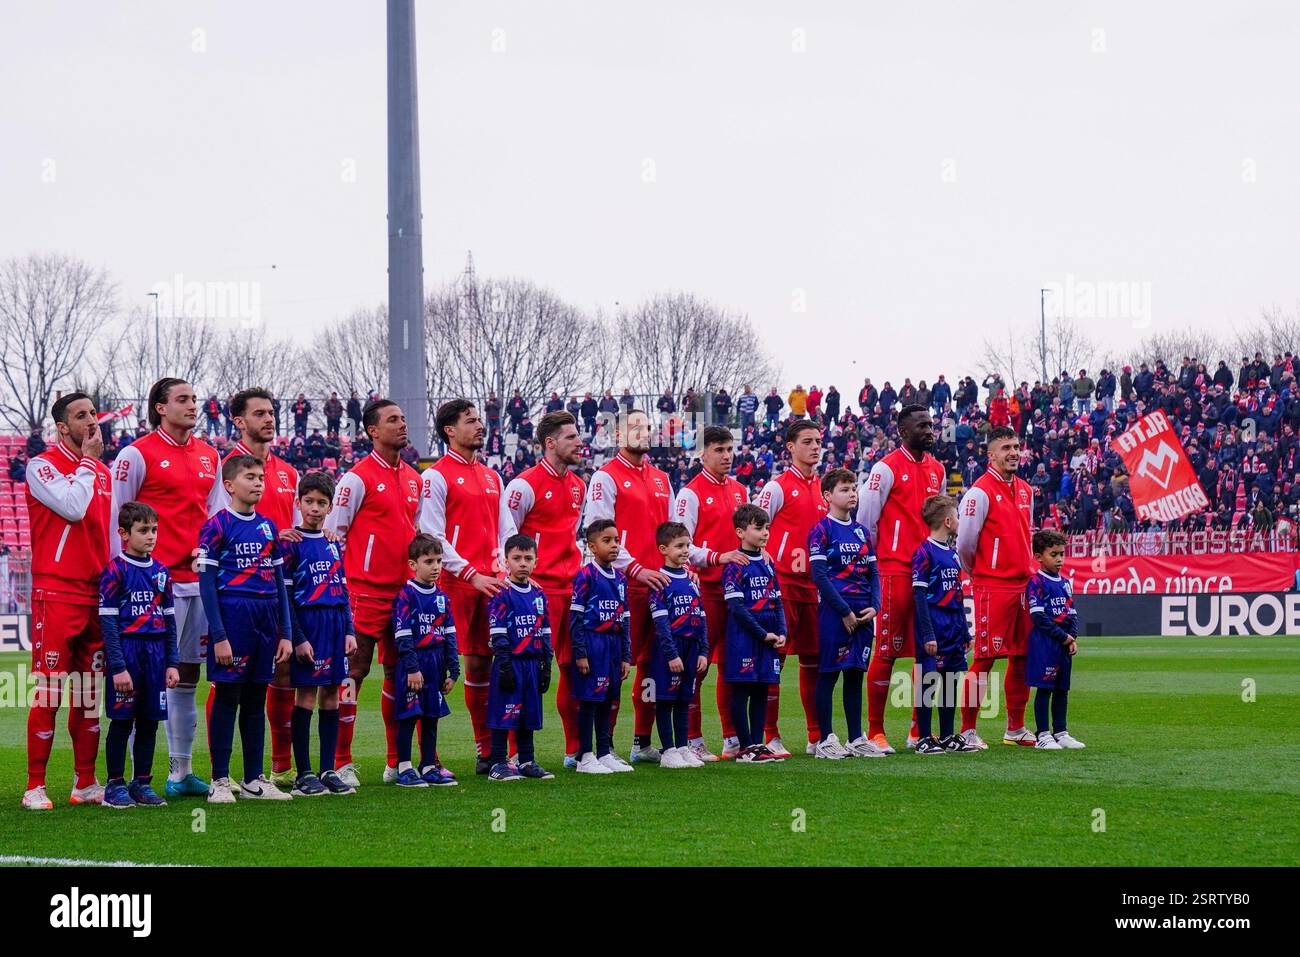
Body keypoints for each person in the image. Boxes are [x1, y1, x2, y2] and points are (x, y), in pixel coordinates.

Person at [582, 409, 740, 764]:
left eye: (647, 427)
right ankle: (595, 749)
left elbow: (676, 537)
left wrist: (695, 562)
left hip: (660, 586)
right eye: (634, 427)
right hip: (620, 586)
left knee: (656, 666)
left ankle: (641, 743)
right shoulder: (605, 478)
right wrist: (635, 568)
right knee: (614, 666)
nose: (643, 432)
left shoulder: (661, 479)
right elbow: (596, 532)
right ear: (618, 434)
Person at [110, 378, 218, 800]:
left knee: (187, 673)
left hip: (197, 584)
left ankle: (180, 772)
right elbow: (117, 516)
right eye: (183, 400)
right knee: (144, 678)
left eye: (194, 399)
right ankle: (131, 781)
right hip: (152, 586)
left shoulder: (210, 455)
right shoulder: (136, 454)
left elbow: (213, 518)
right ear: (160, 407)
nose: (193, 405)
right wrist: (118, 576)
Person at [323, 398, 421, 788]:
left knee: (402, 674)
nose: (401, 424)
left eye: (403, 418)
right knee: (354, 672)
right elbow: (334, 534)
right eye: (392, 420)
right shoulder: (356, 479)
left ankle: (398, 761)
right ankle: (341, 761)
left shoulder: (415, 478)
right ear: (372, 431)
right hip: (363, 592)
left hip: (403, 595)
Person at [23, 392, 113, 810]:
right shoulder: (41, 466)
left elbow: (107, 533)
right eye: (81, 415)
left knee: (89, 693)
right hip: (56, 590)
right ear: (63, 428)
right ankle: (35, 786)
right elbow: (74, 508)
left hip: (96, 591)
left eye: (94, 413)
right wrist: (90, 463)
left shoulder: (103, 473)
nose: (92, 421)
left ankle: (86, 783)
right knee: (50, 690)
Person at [208, 387, 300, 789]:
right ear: (239, 421)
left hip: (276, 588)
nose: (269, 419)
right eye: (260, 413)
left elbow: (294, 526)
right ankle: (218, 776)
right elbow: (214, 522)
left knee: (276, 681)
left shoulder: (287, 471)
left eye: (272, 412)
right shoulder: (222, 466)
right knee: (227, 685)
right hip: (232, 597)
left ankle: (270, 770)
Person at [198, 454, 294, 802]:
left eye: (260, 477)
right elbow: (207, 585)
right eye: (249, 477)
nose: (257, 483)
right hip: (234, 617)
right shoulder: (217, 525)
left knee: (256, 698)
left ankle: (254, 780)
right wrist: (220, 635)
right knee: (227, 697)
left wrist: (286, 632)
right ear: (228, 485)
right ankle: (220, 780)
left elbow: (281, 583)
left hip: (266, 620)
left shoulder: (269, 527)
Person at [855, 404, 947, 754]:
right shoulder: (885, 468)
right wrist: (881, 560)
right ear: (902, 431)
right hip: (895, 569)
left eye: (931, 424)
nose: (929, 430)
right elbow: (866, 521)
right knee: (888, 649)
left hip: (931, 571)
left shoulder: (937, 469)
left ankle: (918, 730)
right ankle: (875, 731)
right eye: (922, 425)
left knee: (928, 649)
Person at [419, 399, 505, 772]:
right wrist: (470, 573)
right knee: (438, 668)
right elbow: (432, 534)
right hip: (453, 585)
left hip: (490, 583)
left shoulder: (492, 476)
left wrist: (501, 567)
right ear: (449, 431)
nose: (479, 426)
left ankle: (487, 753)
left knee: (484, 668)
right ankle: (427, 758)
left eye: (480, 420)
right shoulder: (435, 476)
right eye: (470, 421)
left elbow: (505, 531)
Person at [499, 411, 586, 767]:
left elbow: (572, 535)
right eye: (571, 437)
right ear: (550, 443)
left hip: (571, 589)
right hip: (536, 592)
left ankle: (575, 752)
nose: (579, 443)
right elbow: (508, 536)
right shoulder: (523, 485)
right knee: (526, 671)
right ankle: (516, 754)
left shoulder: (579, 485)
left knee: (574, 667)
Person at [956, 426, 1036, 748]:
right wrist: (982, 571)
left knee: (1022, 657)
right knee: (985, 659)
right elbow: (965, 542)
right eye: (1006, 448)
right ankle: (967, 730)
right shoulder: (979, 492)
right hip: (993, 586)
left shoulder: (1027, 490)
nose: (1014, 452)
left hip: (1025, 586)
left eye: (1016, 446)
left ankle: (1014, 728)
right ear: (991, 455)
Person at [673, 425, 747, 759]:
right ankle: (692, 739)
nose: (726, 456)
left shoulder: (740, 491)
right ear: (702, 454)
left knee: (733, 666)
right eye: (718, 449)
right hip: (704, 591)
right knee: (697, 666)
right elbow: (682, 547)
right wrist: (718, 557)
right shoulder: (689, 493)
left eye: (729, 449)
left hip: (736, 592)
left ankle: (732, 739)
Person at [99, 502, 179, 807]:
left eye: (154, 530)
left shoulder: (161, 572)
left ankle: (142, 784)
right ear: (123, 533)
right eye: (143, 530)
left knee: (149, 721)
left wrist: (172, 663)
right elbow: (108, 624)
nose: (151, 536)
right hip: (128, 652)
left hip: (156, 654)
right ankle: (114, 785)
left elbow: (170, 621)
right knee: (122, 721)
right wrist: (118, 667)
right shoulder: (114, 571)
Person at [754, 419, 827, 757]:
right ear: (790, 447)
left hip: (814, 589)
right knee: (775, 662)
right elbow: (754, 526)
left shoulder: (825, 488)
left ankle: (817, 736)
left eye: (818, 441)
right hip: (782, 585)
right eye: (807, 441)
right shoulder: (777, 487)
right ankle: (770, 734)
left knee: (814, 661)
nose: (815, 447)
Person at [281, 472, 357, 796]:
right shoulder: (291, 544)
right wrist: (297, 637)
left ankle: (328, 770)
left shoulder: (331, 543)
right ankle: (304, 773)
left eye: (321, 503)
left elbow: (341, 590)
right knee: (307, 696)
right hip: (308, 626)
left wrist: (350, 630)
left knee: (330, 696)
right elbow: (285, 596)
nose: (314, 508)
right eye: (309, 502)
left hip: (334, 626)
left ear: (329, 508)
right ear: (298, 503)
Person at [807, 468, 878, 759]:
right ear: (827, 496)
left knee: (855, 675)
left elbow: (874, 572)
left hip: (864, 614)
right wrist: (844, 611)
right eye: (844, 489)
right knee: (829, 674)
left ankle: (855, 738)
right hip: (836, 613)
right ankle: (825, 739)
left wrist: (876, 606)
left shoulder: (862, 530)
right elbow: (820, 576)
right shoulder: (821, 530)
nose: (852, 494)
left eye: (853, 489)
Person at [909, 495, 978, 754]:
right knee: (929, 681)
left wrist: (965, 631)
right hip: (933, 625)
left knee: (950, 680)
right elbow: (919, 596)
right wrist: (927, 633)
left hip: (952, 625)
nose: (959, 520)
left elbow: (958, 595)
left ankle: (948, 735)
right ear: (948, 521)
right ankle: (924, 737)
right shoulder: (924, 552)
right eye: (957, 516)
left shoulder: (952, 554)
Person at [391, 534, 461, 787]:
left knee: (432, 716)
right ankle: (404, 767)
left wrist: (453, 670)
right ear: (413, 565)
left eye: (439, 561)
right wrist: (412, 668)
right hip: (415, 665)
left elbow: (450, 635)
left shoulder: (443, 598)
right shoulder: (407, 595)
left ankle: (429, 765)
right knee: (409, 716)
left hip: (436, 664)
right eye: (428, 561)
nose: (435, 567)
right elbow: (403, 635)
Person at [484, 534, 554, 781]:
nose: (522, 563)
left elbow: (545, 631)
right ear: (505, 561)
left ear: (536, 562)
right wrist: (503, 664)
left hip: (532, 664)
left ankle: (526, 760)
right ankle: (497, 763)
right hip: (510, 661)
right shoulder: (501, 593)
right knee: (504, 712)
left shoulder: (538, 595)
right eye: (516, 558)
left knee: (528, 714)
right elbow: (498, 632)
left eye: (528, 558)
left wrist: (547, 664)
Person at [722, 504, 787, 763]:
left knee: (762, 689)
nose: (765, 533)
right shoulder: (735, 565)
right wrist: (762, 634)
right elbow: (737, 608)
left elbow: (778, 601)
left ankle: (757, 744)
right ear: (740, 532)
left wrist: (782, 631)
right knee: (742, 690)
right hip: (745, 637)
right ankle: (745, 747)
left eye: (767, 528)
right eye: (758, 528)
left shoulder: (769, 563)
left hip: (768, 636)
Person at [569, 519, 633, 774]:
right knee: (590, 700)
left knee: (608, 699)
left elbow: (625, 618)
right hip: (593, 641)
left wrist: (626, 655)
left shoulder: (620, 578)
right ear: (592, 547)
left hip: (614, 644)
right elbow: (575, 618)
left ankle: (604, 752)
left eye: (616, 540)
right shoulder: (586, 575)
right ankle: (584, 755)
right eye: (607, 541)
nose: (614, 545)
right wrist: (581, 652)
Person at [648, 522, 708, 769]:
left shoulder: (692, 579)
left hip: (692, 647)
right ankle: (668, 751)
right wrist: (671, 654)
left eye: (688, 545)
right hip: (669, 650)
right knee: (665, 700)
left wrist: (704, 650)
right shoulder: (660, 580)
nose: (686, 550)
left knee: (685, 699)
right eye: (679, 546)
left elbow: (702, 616)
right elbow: (661, 623)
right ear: (663, 549)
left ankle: (683, 747)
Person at [1025, 530, 1085, 750]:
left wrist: (1073, 638)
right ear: (1039, 556)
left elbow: (1072, 612)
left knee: (1062, 689)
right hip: (1046, 643)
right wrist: (1064, 637)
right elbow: (1038, 616)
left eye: (1062, 554)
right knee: (1045, 689)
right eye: (1054, 554)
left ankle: (1061, 731)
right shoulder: (1036, 582)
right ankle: (1043, 734)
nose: (1060, 559)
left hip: (1063, 644)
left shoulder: (1065, 582)